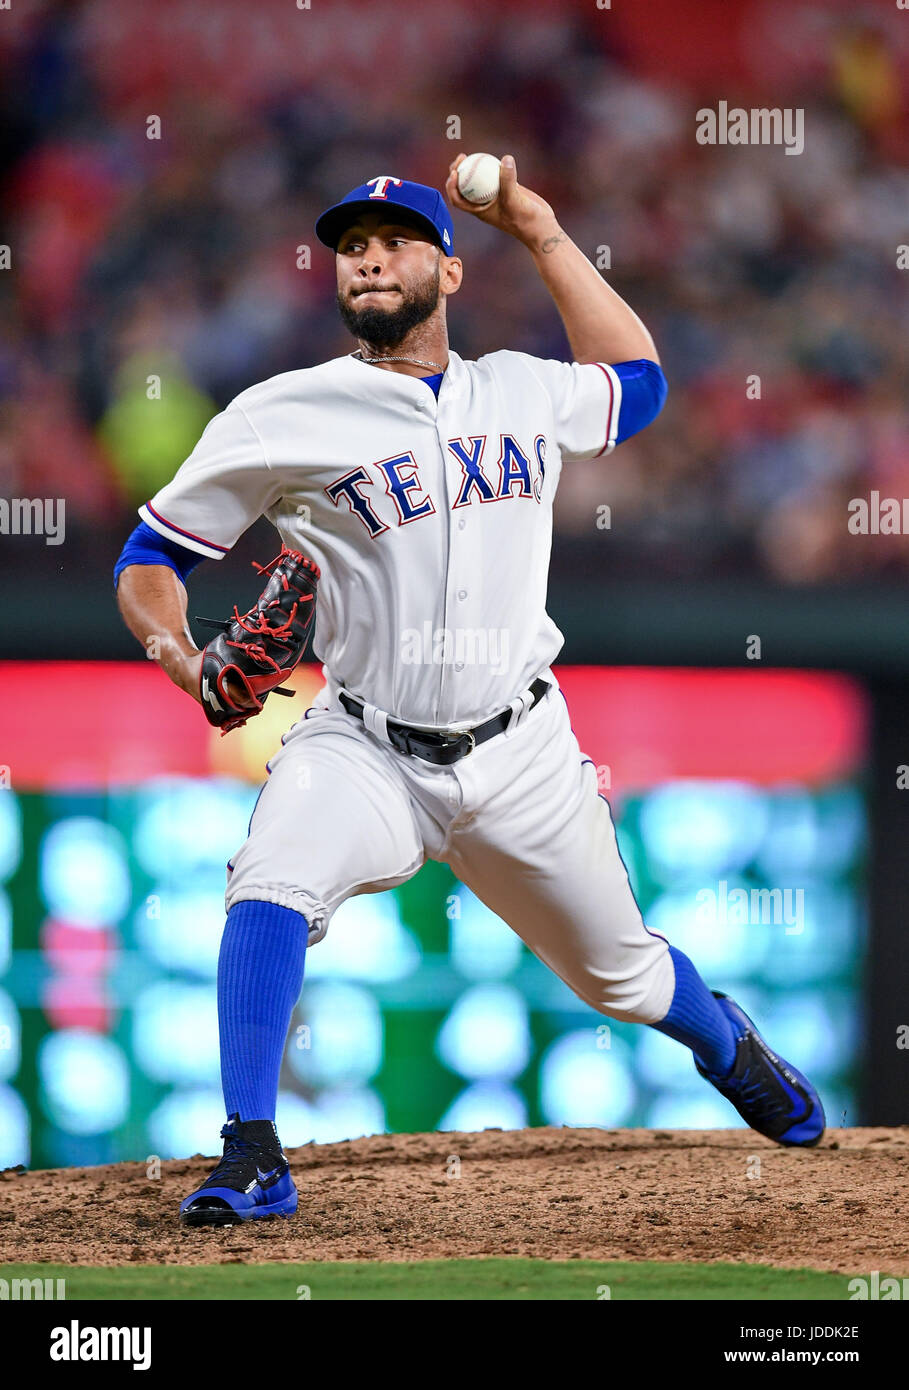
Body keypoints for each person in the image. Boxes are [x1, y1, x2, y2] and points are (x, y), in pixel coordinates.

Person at [114, 154, 824, 1227]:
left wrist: (539, 229)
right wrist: (178, 653)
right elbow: (148, 555)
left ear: (449, 271)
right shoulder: (282, 414)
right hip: (366, 744)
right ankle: (253, 1150)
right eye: (351, 247)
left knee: (620, 976)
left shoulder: (522, 390)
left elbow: (642, 382)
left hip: (522, 748)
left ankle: (725, 1039)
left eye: (395, 242)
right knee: (268, 881)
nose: (369, 260)